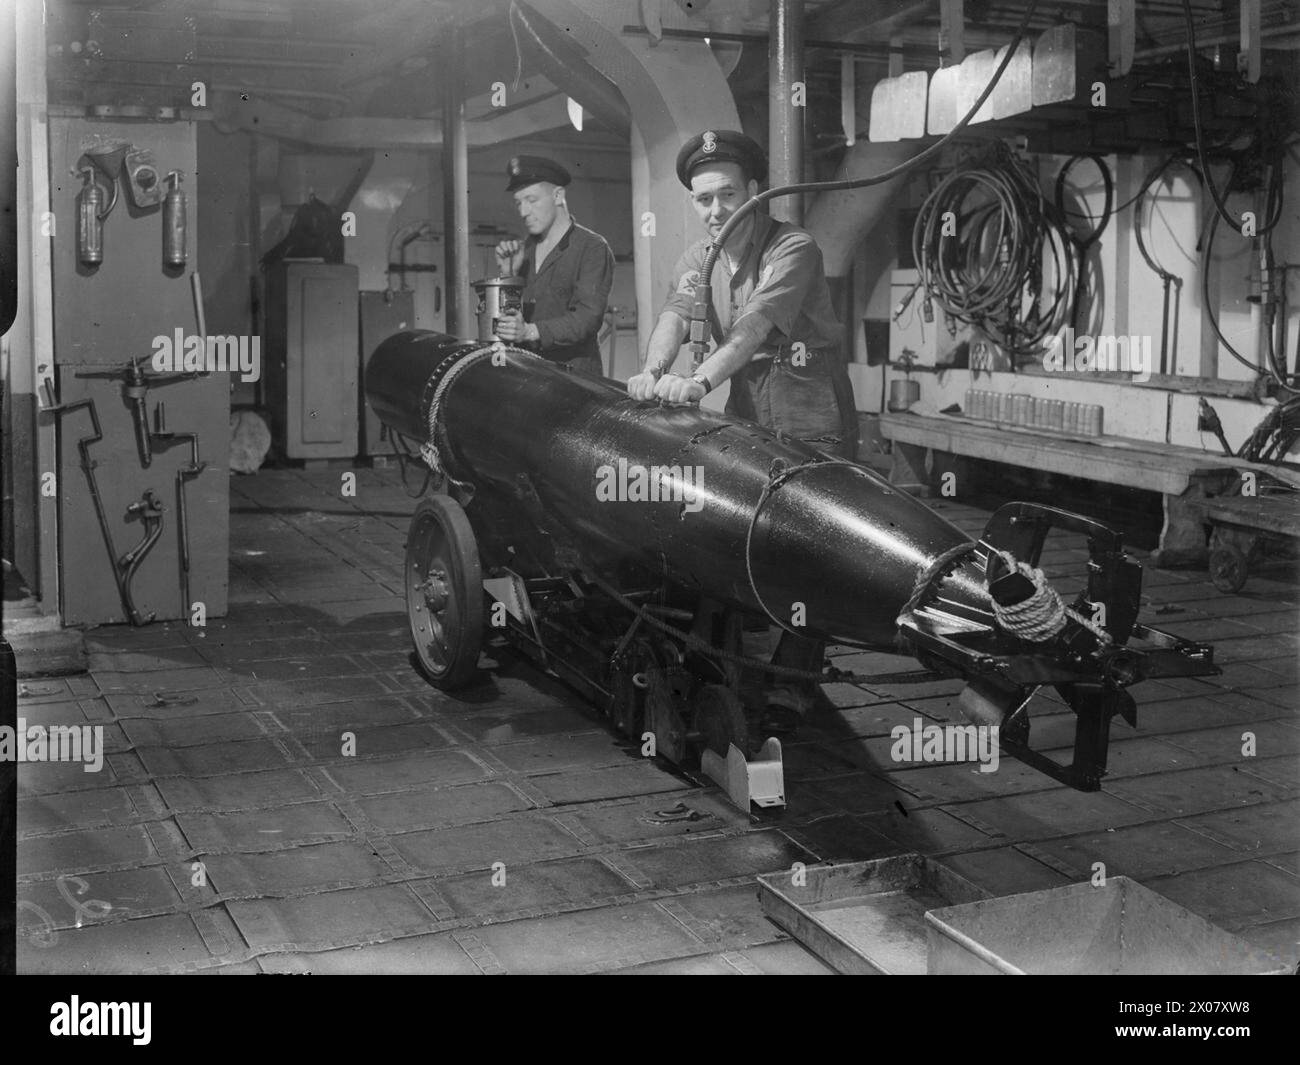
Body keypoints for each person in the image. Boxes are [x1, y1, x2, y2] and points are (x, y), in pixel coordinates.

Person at [626, 129, 858, 737]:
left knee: (813, 548)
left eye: (727, 195)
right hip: (752, 398)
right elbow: (675, 315)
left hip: (810, 404)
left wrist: (697, 384)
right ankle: (737, 664)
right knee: (748, 532)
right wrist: (653, 370)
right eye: (703, 200)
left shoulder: (794, 248)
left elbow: (754, 326)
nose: (715, 211)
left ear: (755, 192)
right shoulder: (698, 257)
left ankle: (794, 687)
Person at [493, 155, 615, 376]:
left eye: (531, 200)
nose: (523, 212)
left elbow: (587, 318)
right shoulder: (524, 251)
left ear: (558, 196)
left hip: (574, 378)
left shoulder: (592, 247)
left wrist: (531, 331)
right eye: (519, 203)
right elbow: (506, 321)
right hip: (526, 374)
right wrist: (508, 274)